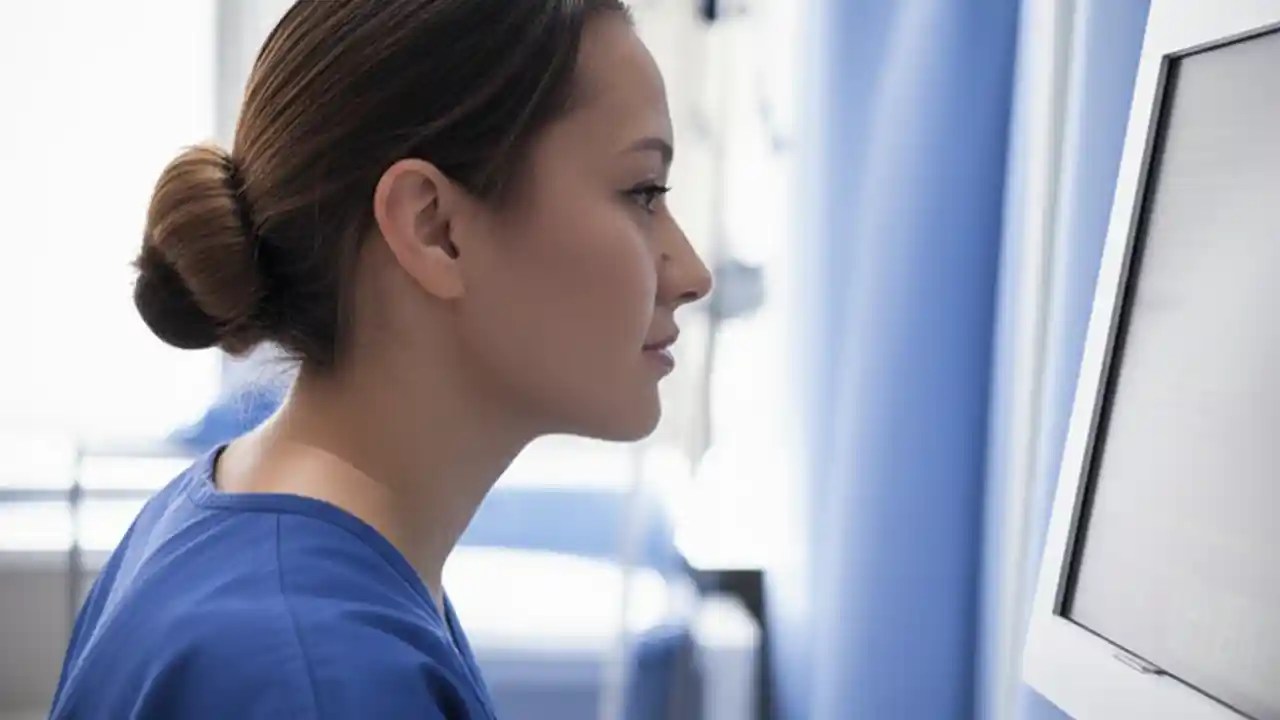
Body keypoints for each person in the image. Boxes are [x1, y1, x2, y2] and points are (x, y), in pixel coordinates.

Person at [49, 0, 712, 717]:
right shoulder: (320, 675)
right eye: (642, 192)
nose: (692, 272)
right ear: (435, 229)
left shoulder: (219, 524)